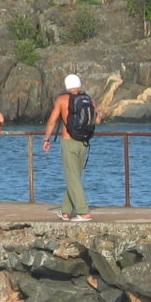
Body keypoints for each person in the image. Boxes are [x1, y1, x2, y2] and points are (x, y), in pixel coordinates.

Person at [42, 73, 101, 221]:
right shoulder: (89, 99)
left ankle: (83, 212)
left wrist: (47, 139)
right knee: (75, 177)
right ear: (79, 84)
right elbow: (98, 119)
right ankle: (66, 211)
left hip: (69, 142)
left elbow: (52, 121)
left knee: (72, 178)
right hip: (84, 142)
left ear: (67, 85)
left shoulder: (62, 99)